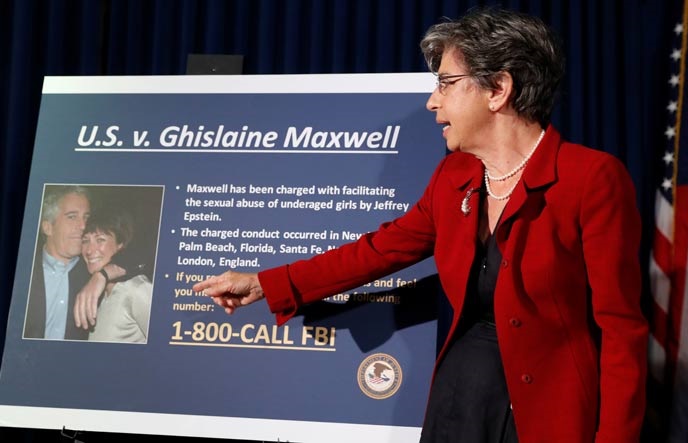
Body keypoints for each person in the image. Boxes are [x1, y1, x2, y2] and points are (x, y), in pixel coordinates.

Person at [194, 7, 647, 443]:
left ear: (498, 89)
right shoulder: (454, 176)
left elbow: (621, 332)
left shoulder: (590, 179)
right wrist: (266, 283)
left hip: (550, 412)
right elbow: (378, 251)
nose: (432, 101)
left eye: (446, 84)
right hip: (461, 398)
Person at [24, 185, 123, 340]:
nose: (83, 226)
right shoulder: (22, 270)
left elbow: (142, 256)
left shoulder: (94, 269)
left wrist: (103, 274)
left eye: (86, 217)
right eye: (72, 217)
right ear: (48, 227)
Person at [80, 210, 152, 343]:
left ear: (120, 245)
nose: (89, 250)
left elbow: (168, 345)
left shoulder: (137, 289)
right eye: (85, 241)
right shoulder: (99, 294)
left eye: (100, 240)